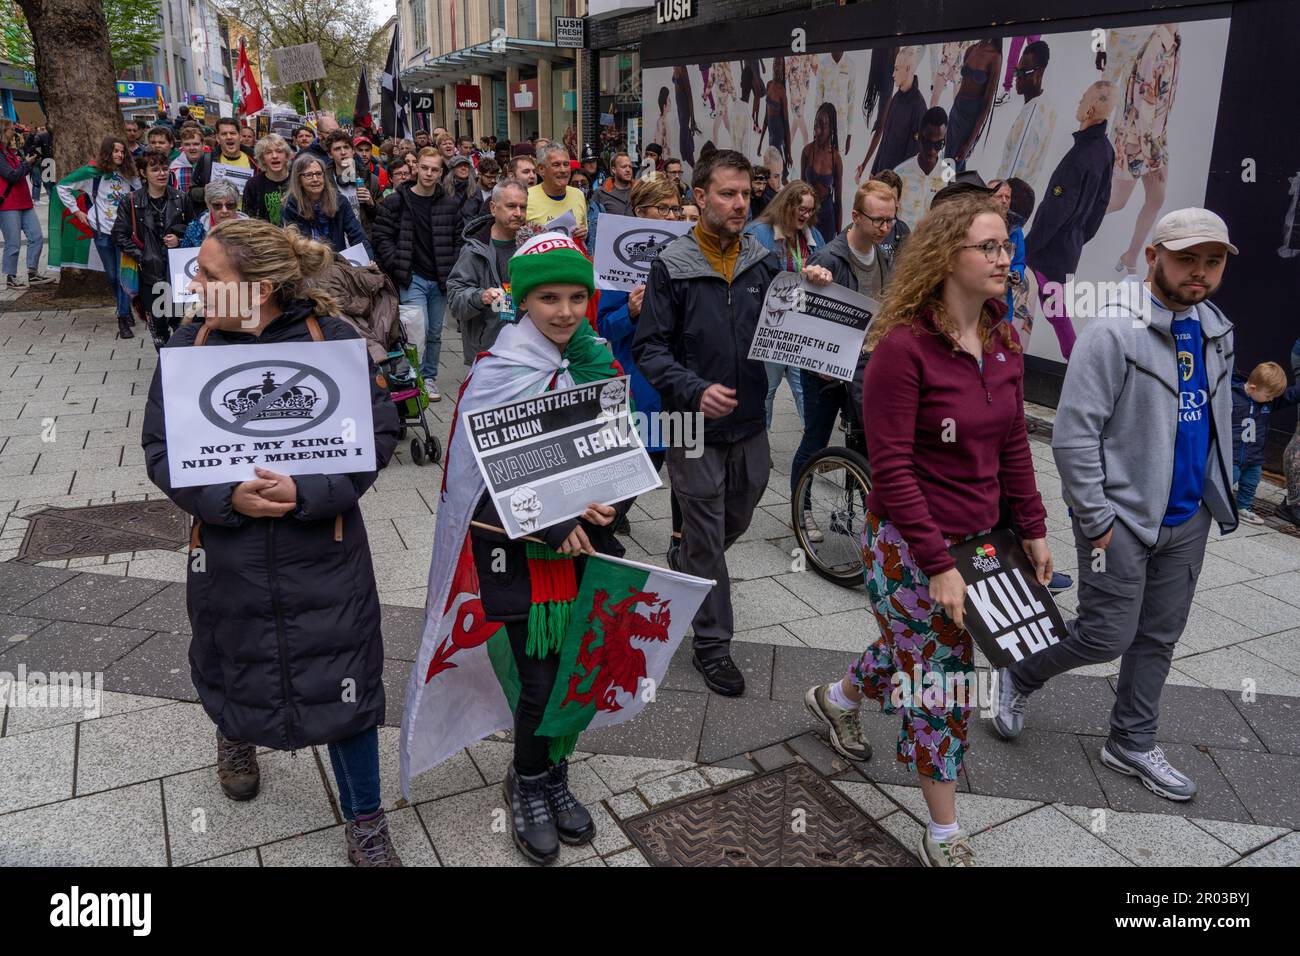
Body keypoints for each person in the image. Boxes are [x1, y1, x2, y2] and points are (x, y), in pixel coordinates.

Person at [141, 218, 402, 866]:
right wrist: (222, 497)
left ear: (256, 290)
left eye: (207, 274)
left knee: (346, 685)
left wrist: (313, 490)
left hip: (325, 555)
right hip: (227, 555)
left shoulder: (332, 337)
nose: (190, 283)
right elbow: (160, 449)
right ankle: (236, 733)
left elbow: (380, 432)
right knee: (234, 656)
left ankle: (366, 822)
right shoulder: (187, 346)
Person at [818, 194, 1051, 866]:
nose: (1004, 259)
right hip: (910, 546)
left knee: (910, 645)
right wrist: (937, 564)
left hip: (980, 545)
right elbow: (889, 469)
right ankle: (944, 831)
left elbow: (1013, 444)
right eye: (989, 248)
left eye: (1007, 247)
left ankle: (837, 700)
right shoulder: (903, 349)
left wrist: (1033, 528)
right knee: (944, 682)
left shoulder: (1004, 338)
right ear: (948, 256)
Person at [994, 208, 1239, 806]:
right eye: (1187, 259)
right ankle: (1020, 672)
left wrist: (1221, 498)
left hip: (1187, 517)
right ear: (1153, 256)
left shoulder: (1215, 329)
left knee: (1158, 636)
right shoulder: (1114, 331)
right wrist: (1096, 519)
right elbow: (1075, 433)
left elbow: (1214, 423)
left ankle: (1131, 740)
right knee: (1107, 634)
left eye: (1212, 261)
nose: (1200, 273)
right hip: (1120, 521)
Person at [431, 231, 624, 865]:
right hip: (520, 561)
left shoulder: (598, 361)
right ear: (520, 299)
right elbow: (473, 486)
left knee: (580, 673)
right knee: (540, 681)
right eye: (548, 298)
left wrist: (610, 503)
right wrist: (546, 523)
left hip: (587, 553)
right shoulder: (496, 374)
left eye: (576, 296)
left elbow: (618, 458)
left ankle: (557, 775)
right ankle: (530, 783)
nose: (565, 311)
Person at [635, 149, 835, 697]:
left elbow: (792, 319)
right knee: (703, 526)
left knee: (737, 514)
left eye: (746, 193)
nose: (740, 203)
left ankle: (688, 558)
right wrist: (694, 391)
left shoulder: (763, 260)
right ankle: (711, 644)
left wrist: (812, 284)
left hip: (749, 422)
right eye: (727, 193)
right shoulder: (671, 265)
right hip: (687, 423)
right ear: (699, 197)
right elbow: (649, 348)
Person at [791, 180, 897, 545]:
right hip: (826, 367)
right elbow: (803, 314)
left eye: (890, 220)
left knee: (864, 436)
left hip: (867, 363)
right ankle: (801, 509)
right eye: (878, 220)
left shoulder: (884, 254)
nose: (885, 228)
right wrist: (811, 278)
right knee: (816, 440)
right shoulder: (830, 257)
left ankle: (858, 512)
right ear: (856, 216)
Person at [597, 176, 685, 540]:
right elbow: (605, 327)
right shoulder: (619, 258)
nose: (670, 216)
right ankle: (603, 524)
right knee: (639, 462)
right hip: (639, 384)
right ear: (639, 212)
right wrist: (630, 311)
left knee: (685, 466)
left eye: (675, 209)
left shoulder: (689, 252)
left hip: (680, 382)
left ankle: (685, 545)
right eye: (661, 209)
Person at [1024, 80, 1116, 360]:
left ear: (1090, 109)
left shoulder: (1082, 157)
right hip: (1067, 247)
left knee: (1046, 307)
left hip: (1048, 249)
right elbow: (1100, 206)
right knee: (1054, 310)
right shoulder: (1105, 151)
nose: (1078, 102)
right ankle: (1075, 358)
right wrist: (1078, 237)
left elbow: (1056, 209)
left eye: (1082, 98)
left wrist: (1027, 247)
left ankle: (1077, 359)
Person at [372, 147, 459, 401]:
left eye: (435, 169)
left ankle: (429, 377)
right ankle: (414, 376)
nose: (429, 173)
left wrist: (452, 266)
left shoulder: (449, 204)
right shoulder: (397, 201)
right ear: (416, 168)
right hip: (412, 277)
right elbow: (381, 235)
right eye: (425, 168)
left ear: (441, 173)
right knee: (415, 331)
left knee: (434, 333)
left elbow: (458, 238)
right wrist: (398, 262)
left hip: (440, 278)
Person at [746, 180, 827, 427]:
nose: (806, 215)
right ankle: (758, 448)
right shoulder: (759, 233)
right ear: (786, 205)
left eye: (810, 210)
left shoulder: (814, 236)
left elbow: (826, 270)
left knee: (805, 392)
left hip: (802, 326)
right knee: (766, 391)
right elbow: (749, 281)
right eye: (801, 208)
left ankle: (814, 451)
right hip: (771, 327)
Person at [1108, 24, 1181, 275]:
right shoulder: (1155, 49)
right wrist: (1154, 158)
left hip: (1155, 138)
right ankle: (1072, 222)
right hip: (1135, 140)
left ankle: (1131, 256)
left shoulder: (1174, 42)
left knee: (1156, 198)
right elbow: (1142, 109)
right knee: (1117, 201)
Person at [56, 134, 139, 337]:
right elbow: (63, 187)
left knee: (122, 276)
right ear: (107, 152)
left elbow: (142, 193)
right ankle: (125, 308)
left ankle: (122, 319)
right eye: (115, 151)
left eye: (122, 151)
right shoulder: (91, 173)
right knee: (112, 275)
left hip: (125, 233)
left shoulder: (130, 174)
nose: (119, 154)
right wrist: (77, 211)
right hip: (102, 233)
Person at [111, 147, 187, 345]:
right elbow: (119, 235)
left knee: (182, 325)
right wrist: (142, 255)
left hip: (176, 273)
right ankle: (164, 361)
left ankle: (179, 364)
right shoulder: (131, 201)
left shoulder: (180, 198)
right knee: (159, 327)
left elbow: (193, 229)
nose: (162, 173)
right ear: (143, 173)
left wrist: (179, 239)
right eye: (155, 169)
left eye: (164, 168)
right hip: (149, 275)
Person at [447, 177, 528, 364]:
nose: (518, 213)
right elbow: (455, 299)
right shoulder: (474, 250)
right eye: (511, 206)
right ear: (493, 208)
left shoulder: (532, 246)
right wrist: (481, 296)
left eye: (522, 207)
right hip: (488, 349)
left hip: (528, 346)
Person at [1231, 362, 1299, 523]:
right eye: (1269, 396)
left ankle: (1243, 507)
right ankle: (1207, 502)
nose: (1271, 400)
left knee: (1251, 482)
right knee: (1228, 478)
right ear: (1253, 388)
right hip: (1232, 453)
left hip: (1254, 456)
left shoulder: (1267, 402)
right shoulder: (1232, 396)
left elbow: (1291, 395)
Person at [281, 152, 372, 258]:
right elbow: (291, 243)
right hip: (305, 262)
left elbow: (357, 235)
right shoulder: (290, 206)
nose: (315, 179)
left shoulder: (339, 201)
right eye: (309, 175)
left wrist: (367, 259)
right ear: (299, 180)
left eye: (319, 174)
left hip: (336, 261)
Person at [856, 45, 927, 180]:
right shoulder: (895, 99)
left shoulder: (919, 107)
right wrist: (873, 171)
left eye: (896, 69)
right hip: (882, 175)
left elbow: (912, 157)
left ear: (907, 69)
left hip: (896, 183)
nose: (893, 74)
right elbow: (884, 140)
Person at [0, 118, 51, 289]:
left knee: (36, 236)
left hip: (24, 201)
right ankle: (11, 277)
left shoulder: (11, 152)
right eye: (10, 130)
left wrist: (28, 162)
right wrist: (26, 164)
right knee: (13, 242)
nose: (13, 133)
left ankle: (32, 272)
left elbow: (19, 171)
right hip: (8, 204)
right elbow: (12, 175)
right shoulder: (1, 155)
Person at [999, 40, 1057, 188]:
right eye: (1016, 71)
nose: (1017, 77)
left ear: (1040, 72)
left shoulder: (1030, 120)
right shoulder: (1047, 106)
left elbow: (1010, 178)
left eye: (1023, 72)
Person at [945, 39, 1002, 172]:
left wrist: (969, 143)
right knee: (948, 158)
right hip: (957, 108)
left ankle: (949, 189)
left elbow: (987, 103)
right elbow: (962, 84)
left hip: (971, 116)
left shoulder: (995, 57)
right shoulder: (972, 49)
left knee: (956, 160)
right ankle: (947, 188)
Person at [185, 117, 255, 219]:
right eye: (224, 134)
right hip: (216, 222)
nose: (229, 137)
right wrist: (209, 191)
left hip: (245, 221)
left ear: (240, 137)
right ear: (218, 138)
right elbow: (191, 192)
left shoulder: (254, 160)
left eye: (233, 133)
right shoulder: (207, 160)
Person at [892, 107, 948, 231]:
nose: (932, 150)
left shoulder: (949, 178)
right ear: (919, 136)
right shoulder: (899, 174)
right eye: (928, 142)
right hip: (903, 247)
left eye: (939, 144)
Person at [800, 103, 844, 242]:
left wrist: (838, 232)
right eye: (816, 124)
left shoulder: (835, 158)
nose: (817, 130)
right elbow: (799, 190)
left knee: (825, 255)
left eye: (822, 125)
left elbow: (838, 200)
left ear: (831, 128)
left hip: (826, 215)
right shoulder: (807, 152)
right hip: (808, 213)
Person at [526, 143, 588, 238]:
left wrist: (583, 233)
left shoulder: (578, 194)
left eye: (566, 164)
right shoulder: (527, 197)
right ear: (541, 169)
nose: (563, 170)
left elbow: (584, 231)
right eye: (556, 165)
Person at [323, 129, 378, 231]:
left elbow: (381, 217)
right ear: (330, 154)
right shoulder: (323, 181)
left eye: (346, 147)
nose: (343, 152)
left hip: (363, 241)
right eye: (337, 149)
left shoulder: (371, 180)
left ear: (353, 151)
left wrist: (371, 204)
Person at [587, 150, 635, 249]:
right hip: (609, 246)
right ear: (613, 170)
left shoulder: (640, 192)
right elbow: (592, 223)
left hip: (634, 243)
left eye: (630, 166)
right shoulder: (600, 193)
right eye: (623, 167)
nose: (628, 170)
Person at [241, 133, 292, 225]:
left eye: (279, 151)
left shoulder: (297, 180)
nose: (274, 156)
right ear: (262, 158)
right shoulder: (253, 184)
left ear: (286, 156)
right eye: (268, 152)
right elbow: (247, 217)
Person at [181, 179, 246, 248]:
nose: (224, 210)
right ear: (208, 205)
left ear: (237, 205)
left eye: (230, 205)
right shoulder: (195, 230)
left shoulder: (251, 231)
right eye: (217, 205)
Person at [871, 169, 911, 260]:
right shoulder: (863, 225)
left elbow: (907, 266)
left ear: (898, 201)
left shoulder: (903, 230)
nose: (887, 203)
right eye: (882, 197)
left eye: (892, 198)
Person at [460, 156, 499, 222]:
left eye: (495, 177)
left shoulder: (498, 191)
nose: (493, 180)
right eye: (489, 177)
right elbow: (469, 220)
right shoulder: (471, 192)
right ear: (479, 174)